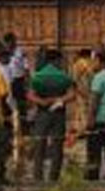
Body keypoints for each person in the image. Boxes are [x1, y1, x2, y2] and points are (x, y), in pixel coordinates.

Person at [29, 47, 75, 182]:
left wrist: (43, 101)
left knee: (39, 144)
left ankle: (38, 176)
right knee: (57, 145)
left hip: (42, 112)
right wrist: (59, 100)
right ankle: (54, 176)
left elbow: (30, 95)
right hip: (58, 113)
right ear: (56, 61)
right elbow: (72, 94)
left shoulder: (38, 76)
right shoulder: (63, 76)